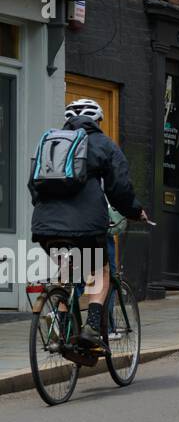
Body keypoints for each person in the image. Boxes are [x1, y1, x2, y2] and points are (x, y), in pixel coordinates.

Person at [30, 99, 148, 350]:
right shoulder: (104, 144)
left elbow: (34, 185)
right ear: (97, 121)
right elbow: (120, 189)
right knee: (100, 271)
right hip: (86, 226)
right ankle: (92, 328)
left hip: (44, 225)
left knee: (66, 271)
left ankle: (62, 329)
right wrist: (135, 211)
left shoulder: (50, 142)